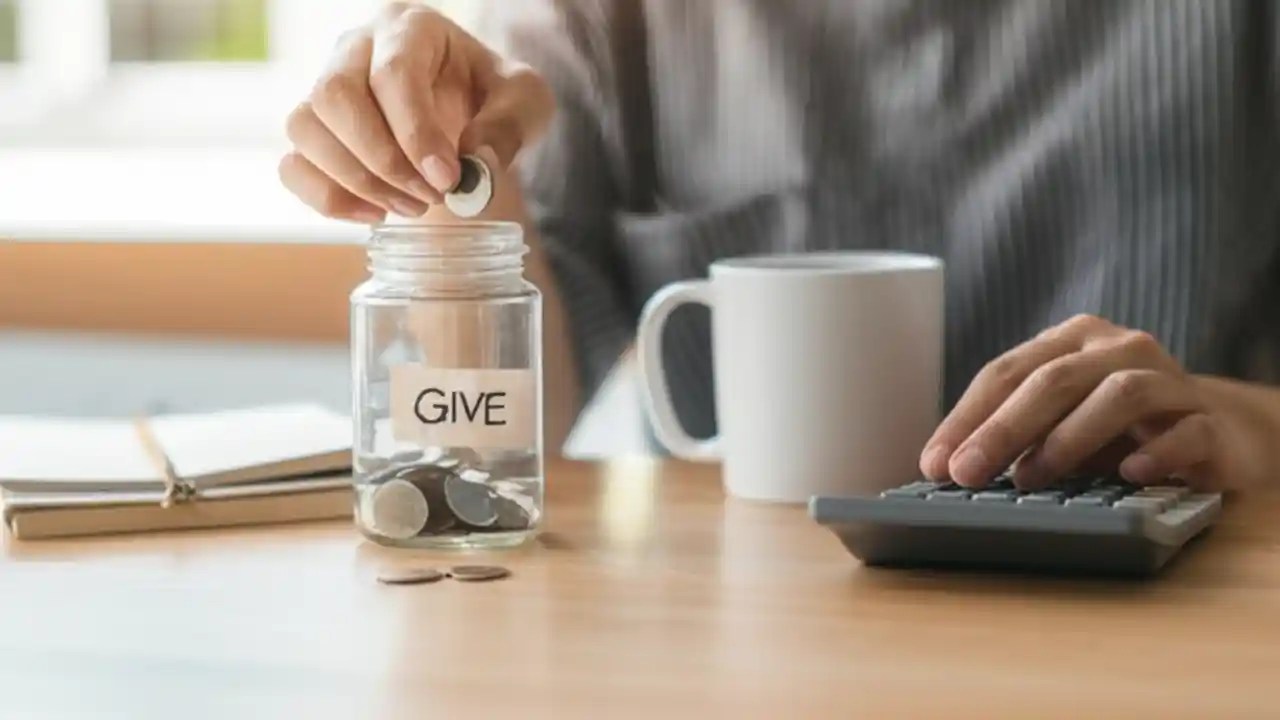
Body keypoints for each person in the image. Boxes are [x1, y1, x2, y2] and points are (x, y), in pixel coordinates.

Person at [279, 1, 1280, 490]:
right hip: (739, 651)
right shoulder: (602, 20)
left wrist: (1251, 430)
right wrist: (442, 175)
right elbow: (480, 450)